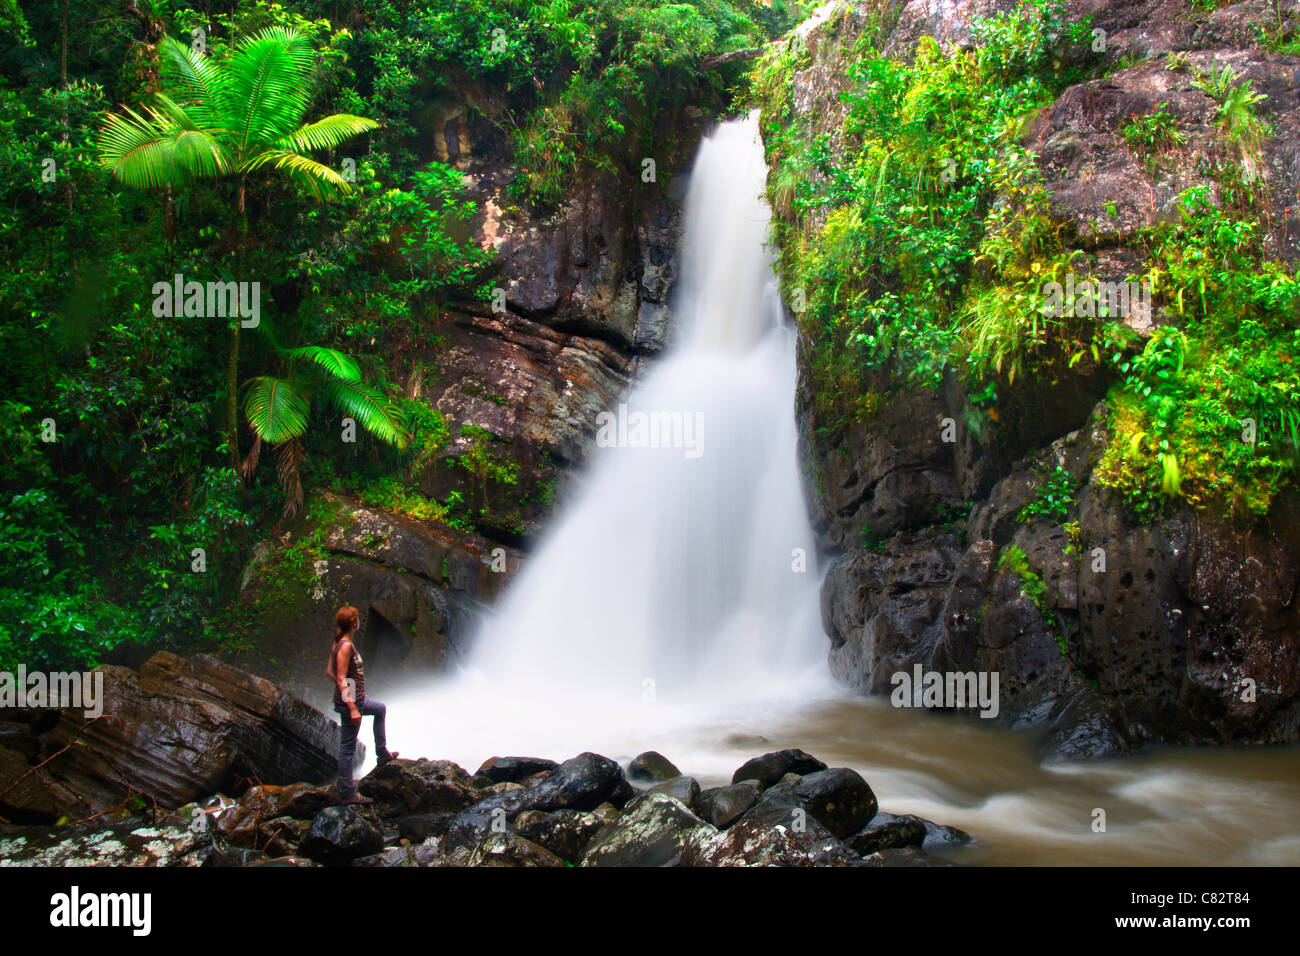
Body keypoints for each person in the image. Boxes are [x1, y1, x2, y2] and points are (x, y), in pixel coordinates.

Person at [327, 605, 398, 805]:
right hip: (352, 704)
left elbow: (330, 672)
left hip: (357, 699)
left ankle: (382, 753)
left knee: (380, 709)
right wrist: (350, 706)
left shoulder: (340, 644)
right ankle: (348, 793)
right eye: (357, 618)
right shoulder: (345, 646)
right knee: (347, 749)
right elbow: (339, 676)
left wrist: (354, 689)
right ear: (353, 623)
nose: (359, 620)